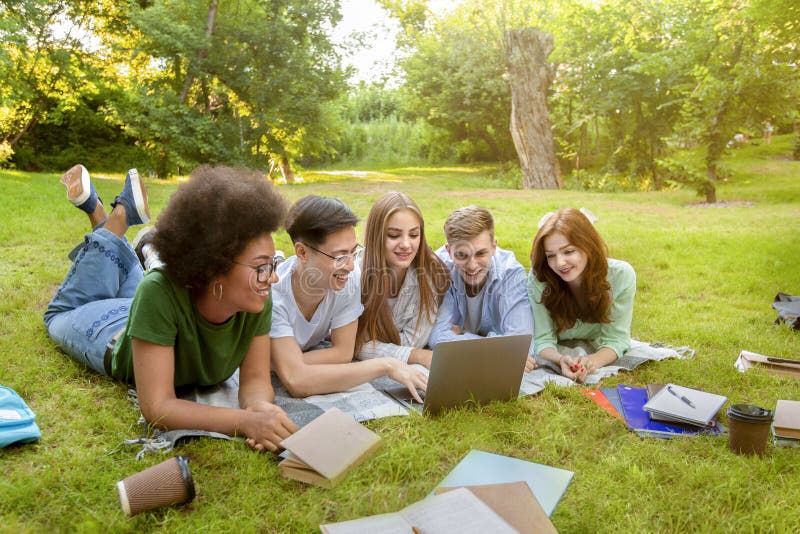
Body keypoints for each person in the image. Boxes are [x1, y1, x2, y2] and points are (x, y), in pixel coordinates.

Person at [44, 164, 298, 453]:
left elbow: (255, 380)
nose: (273, 277)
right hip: (109, 328)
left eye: (273, 264)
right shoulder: (158, 292)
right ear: (216, 265)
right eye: (262, 266)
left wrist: (261, 412)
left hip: (145, 313)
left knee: (129, 278)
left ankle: (103, 214)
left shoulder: (257, 298)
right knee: (59, 313)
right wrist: (243, 421)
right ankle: (116, 217)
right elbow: (158, 406)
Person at [269, 195, 427, 400]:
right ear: (302, 252)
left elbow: (343, 353)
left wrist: (288, 363)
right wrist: (386, 365)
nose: (351, 265)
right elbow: (297, 382)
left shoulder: (348, 279)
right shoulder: (274, 297)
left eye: (353, 252)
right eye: (340, 255)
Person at [528, 208, 636, 383]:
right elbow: (542, 340)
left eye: (568, 251)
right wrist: (560, 359)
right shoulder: (541, 279)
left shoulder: (621, 276)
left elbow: (616, 339)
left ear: (588, 246)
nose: (559, 263)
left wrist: (592, 361)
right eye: (551, 255)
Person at [429, 205, 537, 372]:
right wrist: (500, 348)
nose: (472, 266)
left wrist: (461, 333)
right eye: (462, 255)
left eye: (480, 254)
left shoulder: (511, 273)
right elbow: (437, 338)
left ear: (494, 247)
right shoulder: (439, 269)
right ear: (449, 251)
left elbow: (522, 346)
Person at [354, 192, 450, 369]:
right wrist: (415, 356)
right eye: (393, 235)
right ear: (376, 236)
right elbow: (353, 344)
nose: (406, 244)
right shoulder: (355, 275)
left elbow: (414, 342)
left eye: (414, 235)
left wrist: (379, 348)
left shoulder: (429, 275)